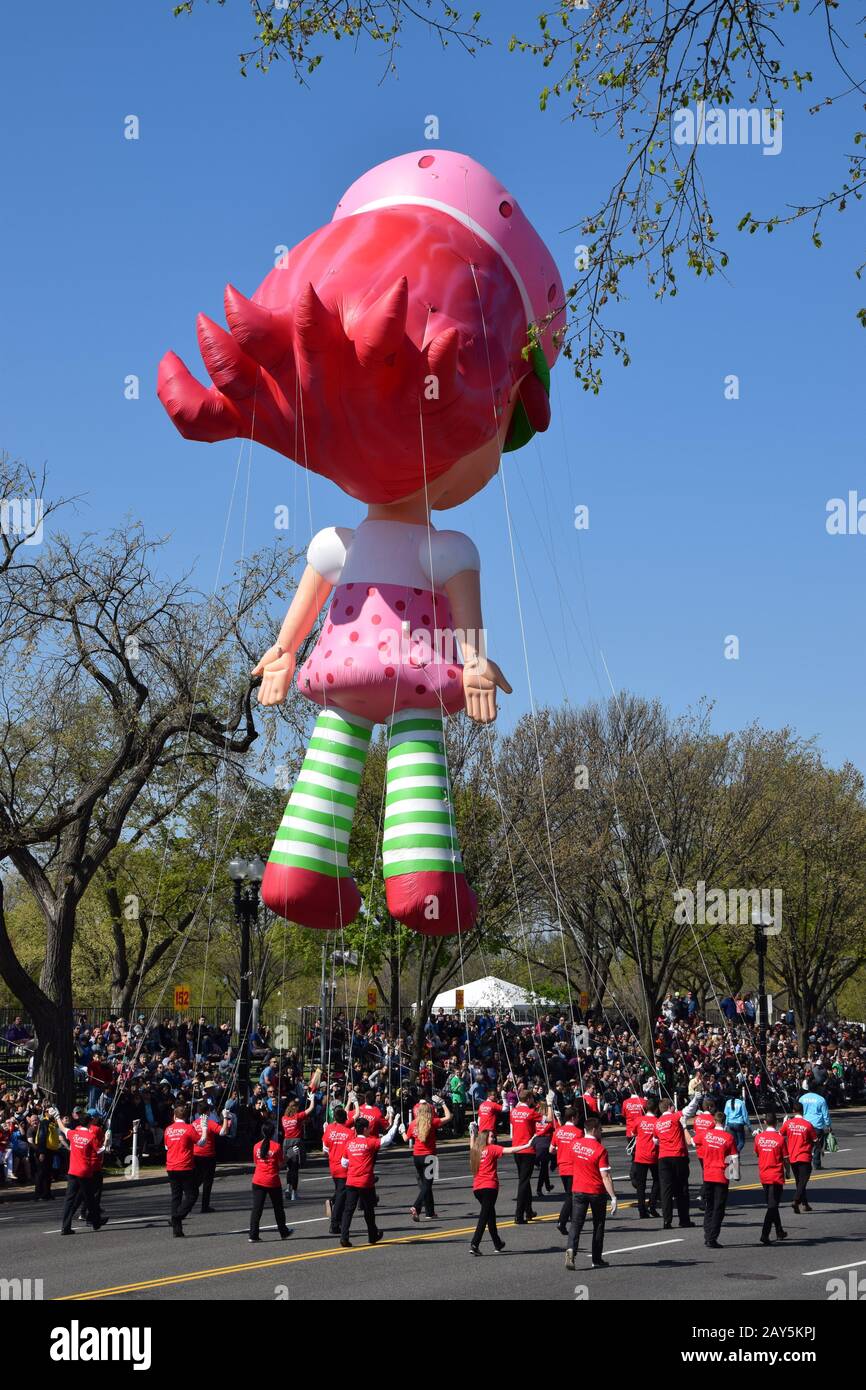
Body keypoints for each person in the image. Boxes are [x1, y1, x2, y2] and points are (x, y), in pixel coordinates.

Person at [564, 1113, 617, 1271]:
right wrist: (613, 1197)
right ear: (593, 1130)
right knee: (598, 1224)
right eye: (600, 1129)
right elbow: (605, 1176)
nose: (601, 1132)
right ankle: (596, 1258)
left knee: (576, 1223)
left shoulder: (575, 1144)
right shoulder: (600, 1150)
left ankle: (571, 1249)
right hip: (596, 1191)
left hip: (578, 1189)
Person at [468, 1127, 533, 1255]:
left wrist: (472, 1134)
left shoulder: (476, 1150)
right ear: (485, 1138)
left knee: (490, 1214)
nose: (494, 1138)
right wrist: (527, 1145)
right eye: (492, 1136)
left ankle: (497, 1242)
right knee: (484, 1216)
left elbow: (471, 1145)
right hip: (489, 1188)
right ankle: (475, 1243)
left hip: (477, 1189)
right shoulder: (492, 1149)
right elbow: (510, 1150)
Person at [339, 1111, 399, 1247]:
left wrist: (354, 1162)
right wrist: (395, 1124)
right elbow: (387, 1140)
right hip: (366, 1181)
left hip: (351, 1181)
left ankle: (344, 1237)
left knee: (348, 1210)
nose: (370, 1130)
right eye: (369, 1128)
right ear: (365, 1129)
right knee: (369, 1210)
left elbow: (344, 1163)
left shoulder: (350, 1144)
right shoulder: (369, 1142)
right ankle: (372, 1235)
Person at [52, 1108, 109, 1236]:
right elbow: (100, 1151)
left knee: (69, 1200)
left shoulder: (73, 1133)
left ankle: (65, 1227)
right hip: (85, 1172)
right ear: (89, 1123)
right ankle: (95, 1222)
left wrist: (56, 1116)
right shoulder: (91, 1136)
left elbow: (62, 1128)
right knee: (90, 1198)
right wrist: (106, 1140)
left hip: (72, 1171)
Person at [403, 1097, 451, 1222]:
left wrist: (401, 1130)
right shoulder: (432, 1122)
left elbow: (405, 1138)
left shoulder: (413, 1123)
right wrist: (443, 1103)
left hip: (417, 1156)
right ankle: (416, 1206)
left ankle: (429, 1212)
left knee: (425, 1185)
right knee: (427, 1185)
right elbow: (448, 1116)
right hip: (430, 1156)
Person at [164, 1102, 207, 1237]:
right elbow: (201, 1142)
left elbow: (166, 1147)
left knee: (176, 1197)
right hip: (185, 1166)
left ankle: (177, 1230)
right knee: (192, 1195)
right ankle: (177, 1216)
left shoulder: (168, 1129)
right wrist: (204, 1128)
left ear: (174, 1116)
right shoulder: (188, 1128)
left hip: (171, 1166)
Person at [655, 1097, 696, 1229]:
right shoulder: (674, 1117)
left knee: (666, 1190)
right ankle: (684, 1219)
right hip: (678, 1156)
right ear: (670, 1107)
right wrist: (697, 1097)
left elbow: (655, 1140)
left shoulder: (658, 1122)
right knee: (682, 1189)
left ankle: (667, 1220)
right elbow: (688, 1110)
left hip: (663, 1157)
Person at [249, 1122, 293, 1242]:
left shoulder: (256, 1146)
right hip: (272, 1181)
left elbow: (256, 1162)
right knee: (278, 1208)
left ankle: (253, 1235)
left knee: (257, 1209)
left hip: (258, 1180)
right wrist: (289, 1155)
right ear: (273, 1133)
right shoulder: (276, 1146)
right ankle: (283, 1232)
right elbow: (281, 1164)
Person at [510, 1088, 548, 1224]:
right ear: (528, 1099)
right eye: (532, 1098)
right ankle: (518, 1215)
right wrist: (549, 1104)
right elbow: (548, 1119)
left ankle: (529, 1210)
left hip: (516, 1149)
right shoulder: (531, 1113)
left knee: (524, 1180)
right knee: (524, 1182)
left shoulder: (514, 1112)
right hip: (527, 1150)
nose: (533, 1100)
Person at [700, 1115, 737, 1249]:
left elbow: (694, 1142)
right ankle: (712, 1237)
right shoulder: (728, 1137)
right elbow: (734, 1157)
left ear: (714, 1122)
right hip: (721, 1175)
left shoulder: (706, 1135)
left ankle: (707, 1234)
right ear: (725, 1121)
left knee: (709, 1206)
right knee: (718, 1208)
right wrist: (735, 1175)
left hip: (708, 1175)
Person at [754, 1112, 788, 1246]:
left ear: (764, 1122)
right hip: (775, 1175)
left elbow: (757, 1153)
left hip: (764, 1174)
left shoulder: (758, 1138)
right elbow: (785, 1158)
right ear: (776, 1123)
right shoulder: (780, 1139)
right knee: (772, 1206)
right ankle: (765, 1233)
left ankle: (779, 1231)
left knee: (772, 1204)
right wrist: (788, 1172)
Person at [192, 1101, 231, 1213]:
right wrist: (225, 1118)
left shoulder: (194, 1123)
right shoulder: (209, 1123)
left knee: (197, 1180)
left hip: (195, 1154)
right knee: (207, 1182)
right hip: (208, 1155)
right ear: (208, 1111)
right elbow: (223, 1132)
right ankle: (205, 1206)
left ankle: (189, 1200)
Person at [322, 1104, 354, 1234]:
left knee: (341, 1194)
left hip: (333, 1167)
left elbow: (325, 1150)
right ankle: (334, 1224)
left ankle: (337, 1220)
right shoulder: (349, 1133)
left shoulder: (329, 1129)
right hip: (344, 1168)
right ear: (345, 1119)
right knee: (342, 1197)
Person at [551, 1106, 583, 1235]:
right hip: (573, 1166)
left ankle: (570, 1219)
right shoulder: (578, 1132)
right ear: (573, 1117)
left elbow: (551, 1149)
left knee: (569, 1194)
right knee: (571, 1196)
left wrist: (562, 1149)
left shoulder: (558, 1131)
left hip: (562, 1166)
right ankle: (562, 1221)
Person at [781, 1103, 817, 1212]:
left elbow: (780, 1135)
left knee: (799, 1181)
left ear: (793, 1110)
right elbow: (815, 1140)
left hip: (792, 1156)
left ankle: (805, 1204)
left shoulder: (788, 1123)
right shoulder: (807, 1125)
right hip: (804, 1156)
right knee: (803, 1181)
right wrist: (819, 1149)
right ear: (803, 1110)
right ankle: (796, 1200)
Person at [281, 1091, 315, 1201]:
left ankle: (287, 1188)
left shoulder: (283, 1119)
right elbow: (310, 1109)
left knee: (288, 1167)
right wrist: (312, 1099)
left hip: (286, 1143)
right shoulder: (297, 1117)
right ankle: (294, 1193)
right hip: (296, 1143)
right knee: (295, 1169)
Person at [631, 1098, 660, 1219]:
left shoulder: (638, 1120)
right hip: (653, 1155)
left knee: (641, 1184)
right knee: (657, 1181)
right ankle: (652, 1205)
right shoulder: (658, 1121)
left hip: (640, 1155)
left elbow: (633, 1133)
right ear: (656, 1109)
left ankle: (641, 1209)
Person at [798, 1085, 831, 1168]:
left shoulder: (802, 1098)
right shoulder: (821, 1099)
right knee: (817, 1145)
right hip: (817, 1125)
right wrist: (828, 1125)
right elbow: (825, 1114)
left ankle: (805, 1162)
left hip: (805, 1124)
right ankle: (816, 1164)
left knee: (806, 1145)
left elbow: (799, 1111)